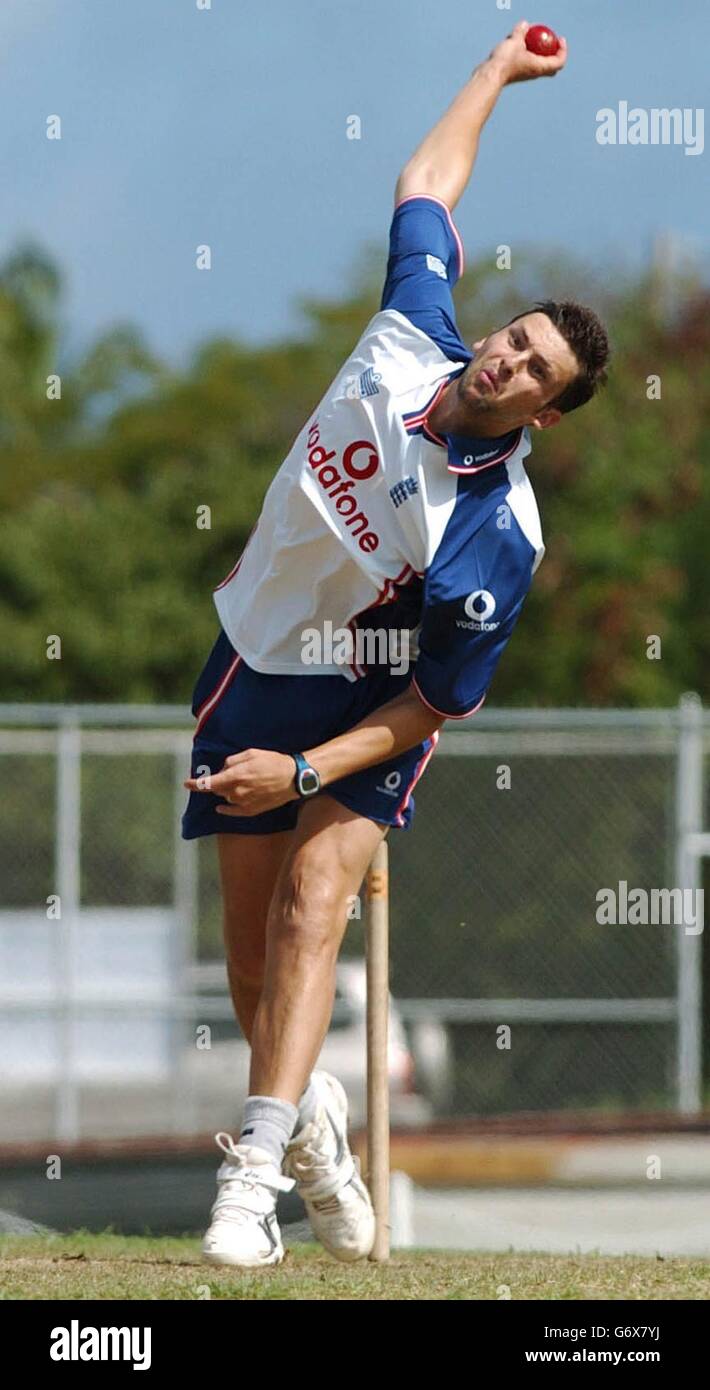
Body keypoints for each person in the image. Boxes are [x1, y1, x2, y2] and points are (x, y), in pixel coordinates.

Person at [182, 20, 610, 1267]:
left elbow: (431, 704)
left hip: (366, 704)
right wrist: (496, 72)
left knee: (318, 904)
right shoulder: (407, 330)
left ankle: (249, 1188)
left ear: (545, 411)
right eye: (513, 333)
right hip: (253, 654)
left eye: (531, 367)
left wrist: (309, 774)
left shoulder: (493, 535)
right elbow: (424, 188)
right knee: (255, 976)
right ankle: (309, 1124)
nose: (506, 353)